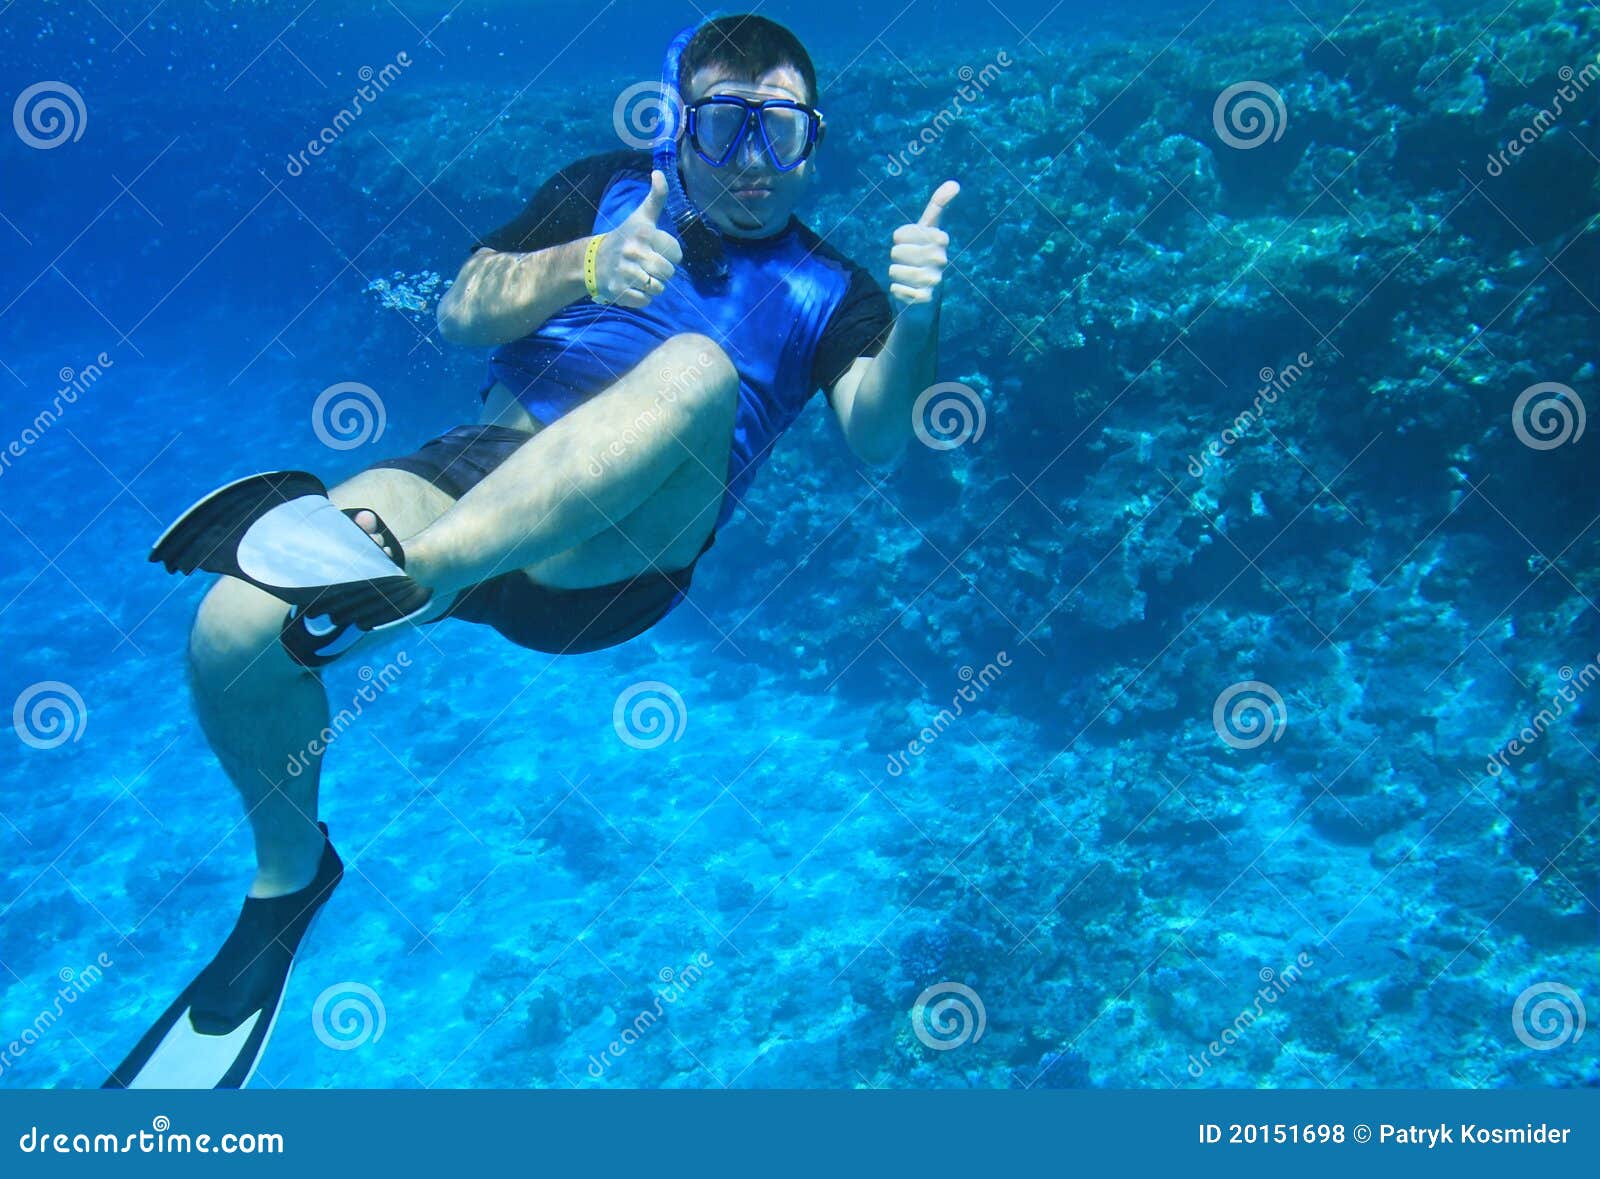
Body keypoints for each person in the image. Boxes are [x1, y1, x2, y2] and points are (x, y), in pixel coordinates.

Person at [106, 13, 957, 1088]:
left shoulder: (830, 288)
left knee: (697, 367)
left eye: (780, 133)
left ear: (815, 140)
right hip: (477, 468)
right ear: (676, 129)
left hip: (615, 555)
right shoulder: (602, 190)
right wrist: (590, 263)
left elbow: (877, 437)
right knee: (233, 627)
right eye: (726, 128)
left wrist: (919, 326)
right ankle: (288, 876)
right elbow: (465, 312)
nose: (753, 165)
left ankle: (406, 575)